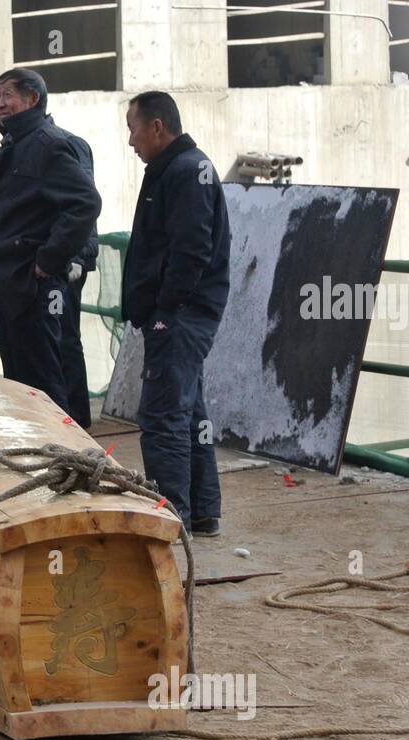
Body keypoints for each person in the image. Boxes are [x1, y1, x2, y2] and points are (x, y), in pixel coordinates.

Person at [123, 91, 231, 537]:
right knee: (187, 414)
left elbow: (191, 248)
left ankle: (172, 522)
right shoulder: (175, 170)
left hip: (182, 317)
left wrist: (167, 310)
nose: (130, 142)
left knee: (163, 418)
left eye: (132, 129)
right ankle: (202, 512)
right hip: (182, 314)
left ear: (156, 127)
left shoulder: (187, 172)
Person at [0, 69, 100, 412]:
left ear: (33, 100)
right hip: (8, 287)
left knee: (43, 388)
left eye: (8, 95)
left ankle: (60, 458)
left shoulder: (49, 144)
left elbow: (85, 203)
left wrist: (49, 259)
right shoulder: (14, 146)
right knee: (21, 387)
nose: (0, 104)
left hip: (32, 287)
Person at [51, 116, 99, 428]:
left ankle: (76, 418)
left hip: (66, 262)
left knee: (64, 337)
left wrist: (78, 257)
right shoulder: (17, 146)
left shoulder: (67, 144)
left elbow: (83, 204)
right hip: (41, 262)